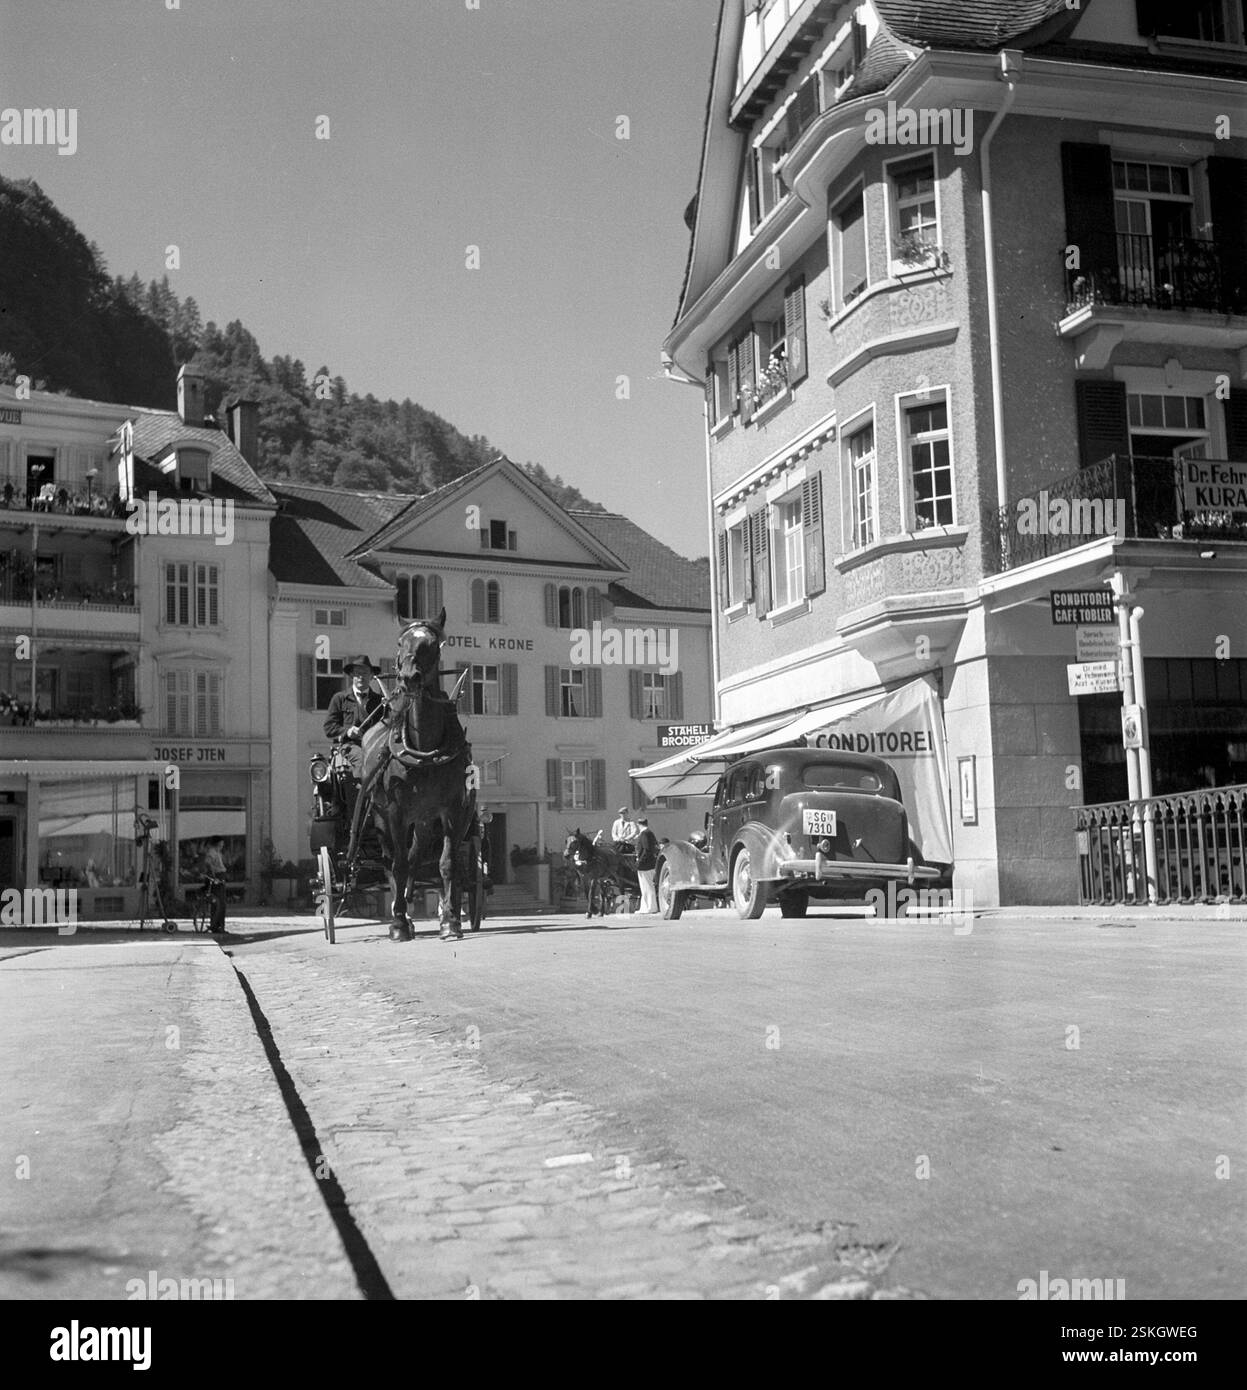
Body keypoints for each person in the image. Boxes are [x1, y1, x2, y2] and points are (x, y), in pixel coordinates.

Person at [323, 655, 385, 779]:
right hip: (350, 747)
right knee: (363, 761)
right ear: (351, 676)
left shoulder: (380, 701)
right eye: (357, 673)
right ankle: (363, 795)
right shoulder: (339, 698)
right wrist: (347, 732)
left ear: (372, 676)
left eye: (365, 673)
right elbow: (329, 728)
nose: (361, 677)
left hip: (376, 746)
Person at [633, 816, 659, 913]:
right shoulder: (650, 833)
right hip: (650, 864)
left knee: (647, 887)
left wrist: (639, 862)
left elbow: (646, 849)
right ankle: (645, 907)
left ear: (639, 825)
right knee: (646, 887)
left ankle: (650, 907)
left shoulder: (644, 834)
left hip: (645, 865)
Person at [203, 838, 228, 934]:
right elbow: (209, 864)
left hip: (220, 876)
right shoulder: (212, 852)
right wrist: (213, 876)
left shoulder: (217, 852)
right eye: (220, 845)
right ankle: (216, 926)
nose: (222, 847)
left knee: (221, 903)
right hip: (217, 877)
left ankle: (219, 925)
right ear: (216, 844)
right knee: (219, 903)